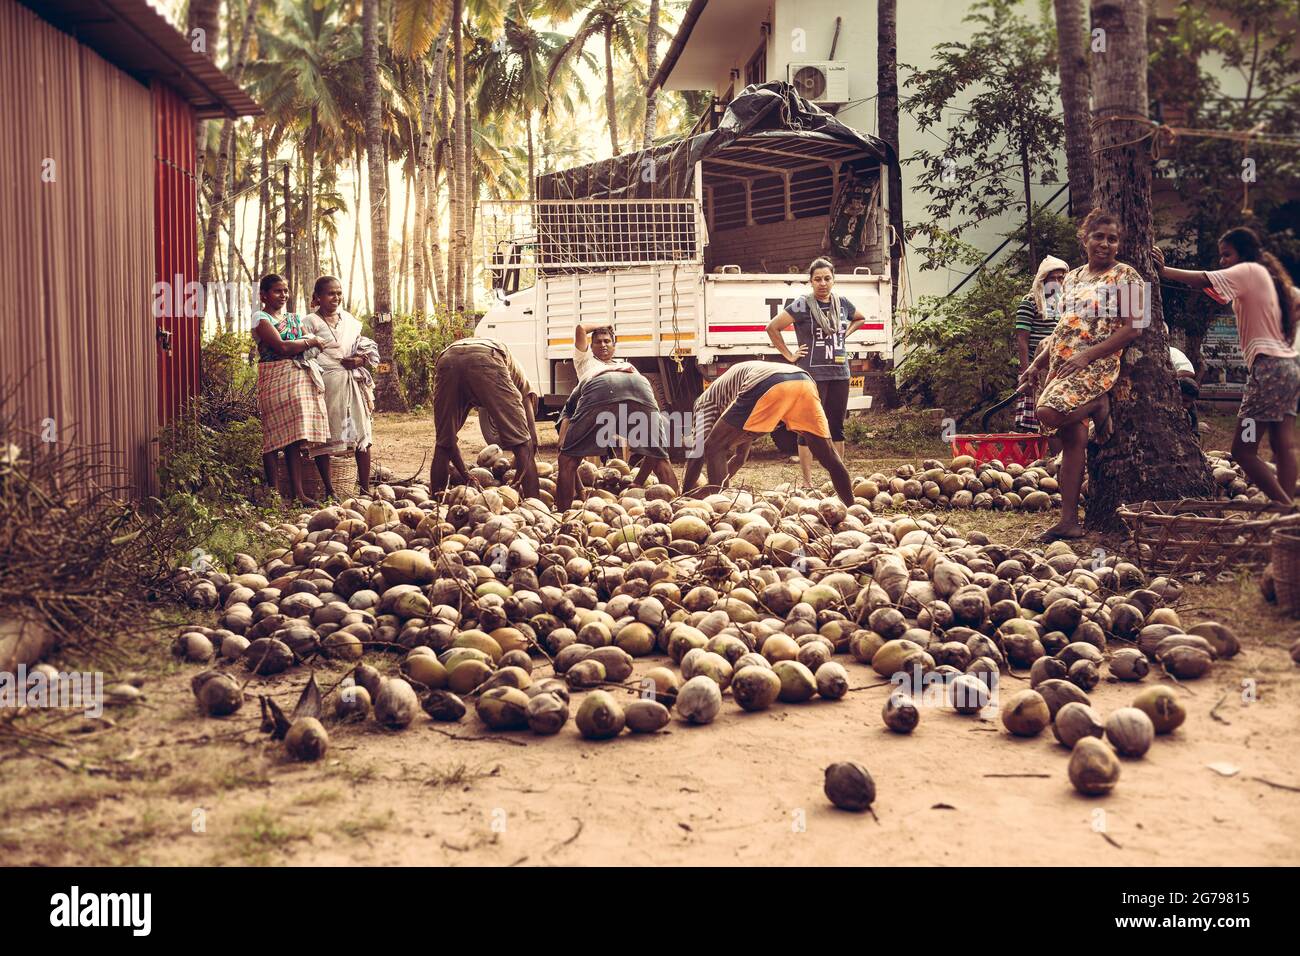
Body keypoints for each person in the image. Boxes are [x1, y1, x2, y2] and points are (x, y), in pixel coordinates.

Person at [1019, 209, 1145, 540]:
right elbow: (1064, 328)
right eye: (1099, 237)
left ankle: (1099, 404)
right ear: (1085, 239)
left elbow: (1133, 329)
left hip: (1095, 364)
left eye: (1112, 239)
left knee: (1046, 412)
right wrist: (1037, 364)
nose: (1105, 244)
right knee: (1072, 441)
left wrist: (1088, 355)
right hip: (1063, 363)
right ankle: (1069, 521)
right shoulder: (1071, 278)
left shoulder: (1127, 276)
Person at [1153, 227, 1299, 503]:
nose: (1222, 261)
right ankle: (1287, 516)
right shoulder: (1264, 277)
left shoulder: (1249, 271)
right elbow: (1216, 291)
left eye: (1226, 255)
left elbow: (1204, 278)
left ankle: (1286, 509)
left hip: (1268, 372)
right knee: (1283, 445)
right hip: (1288, 370)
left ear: (1243, 254)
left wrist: (1163, 271)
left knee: (1243, 451)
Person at [682, 359, 854, 506]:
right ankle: (851, 506)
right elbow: (740, 458)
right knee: (829, 455)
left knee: (712, 447)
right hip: (803, 381)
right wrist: (719, 485)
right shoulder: (738, 411)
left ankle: (720, 507)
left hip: (766, 382)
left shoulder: (704, 403)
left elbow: (697, 453)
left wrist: (685, 496)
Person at [766, 258, 871, 487]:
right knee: (808, 427)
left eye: (827, 278)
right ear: (810, 282)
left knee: (836, 427)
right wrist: (789, 355)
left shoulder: (842, 303)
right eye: (817, 279)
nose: (822, 283)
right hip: (812, 375)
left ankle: (837, 479)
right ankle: (807, 482)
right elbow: (772, 327)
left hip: (839, 373)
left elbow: (861, 318)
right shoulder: (803, 304)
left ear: (833, 279)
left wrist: (845, 335)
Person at [555, 321, 680, 508]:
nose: (603, 345)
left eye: (607, 341)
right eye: (597, 342)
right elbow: (580, 329)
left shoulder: (619, 366)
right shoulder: (586, 360)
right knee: (660, 455)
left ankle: (562, 515)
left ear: (615, 346)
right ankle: (678, 510)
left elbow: (563, 445)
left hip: (604, 387)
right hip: (639, 385)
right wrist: (638, 481)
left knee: (566, 460)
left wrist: (566, 448)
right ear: (591, 346)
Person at [251, 274, 331, 505]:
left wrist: (309, 342)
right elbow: (282, 346)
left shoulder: (293, 318)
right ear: (264, 295)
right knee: (272, 437)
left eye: (285, 290)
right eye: (277, 291)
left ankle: (299, 494)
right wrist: (311, 341)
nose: (283, 295)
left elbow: (301, 346)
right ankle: (273, 494)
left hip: (296, 379)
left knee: (293, 438)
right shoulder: (261, 317)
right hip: (274, 378)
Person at [429, 337, 540, 499]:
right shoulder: (526, 390)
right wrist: (517, 482)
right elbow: (532, 443)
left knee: (442, 443)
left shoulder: (510, 373)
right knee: (523, 444)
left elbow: (448, 443)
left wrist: (467, 476)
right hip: (486, 357)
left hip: (448, 358)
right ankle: (534, 506)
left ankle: (435, 505)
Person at [306, 276, 379, 497]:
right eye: (330, 293)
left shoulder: (349, 320)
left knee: (361, 432)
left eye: (338, 293)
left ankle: (365, 489)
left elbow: (363, 348)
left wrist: (359, 360)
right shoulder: (310, 322)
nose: (336, 297)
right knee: (324, 435)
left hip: (351, 384)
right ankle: (330, 491)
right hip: (324, 384)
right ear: (318, 297)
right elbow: (304, 352)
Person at [1014, 256, 1069, 437]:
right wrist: (1026, 372)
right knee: (1031, 421)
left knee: (1056, 414)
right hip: (1034, 366)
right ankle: (1029, 458)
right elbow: (1022, 340)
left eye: (1061, 278)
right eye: (1053, 278)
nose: (1058, 282)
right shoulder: (1030, 302)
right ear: (1043, 279)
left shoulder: (1064, 304)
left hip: (1058, 365)